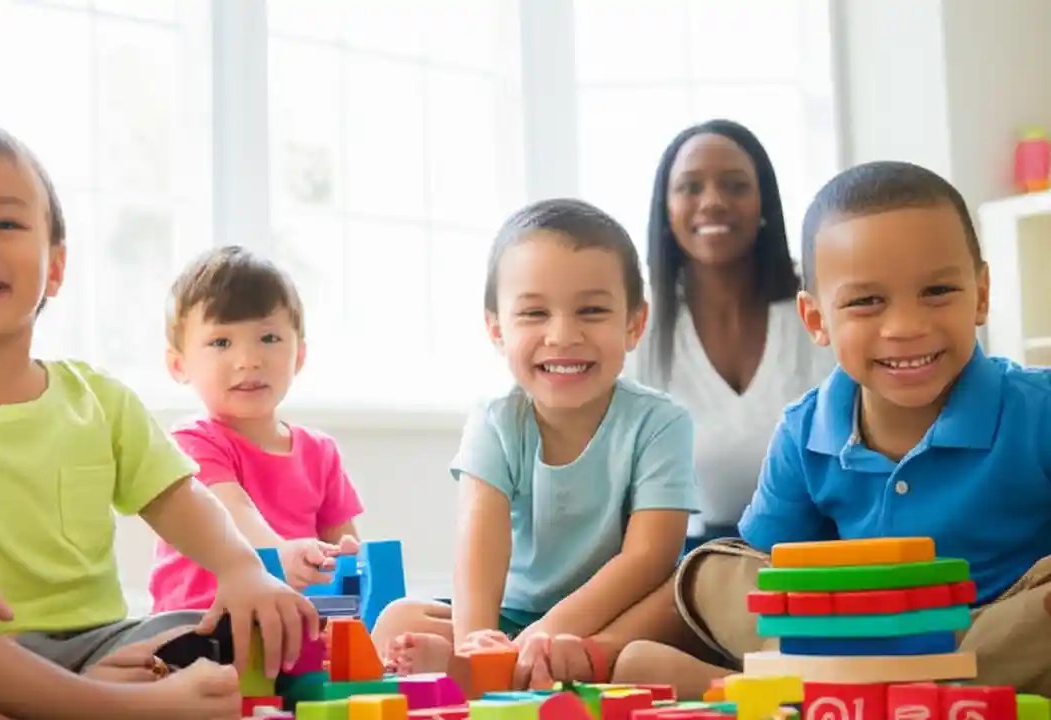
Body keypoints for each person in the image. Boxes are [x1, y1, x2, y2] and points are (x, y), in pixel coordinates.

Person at [0, 121, 319, 720]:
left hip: (97, 647)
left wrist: (241, 569)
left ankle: (43, 705)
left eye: (5, 223)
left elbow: (179, 497)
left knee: (239, 631)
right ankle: (100, 708)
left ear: (54, 266)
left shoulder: (98, 400)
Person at [609, 161, 1051, 698]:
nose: (906, 327)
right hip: (850, 635)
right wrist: (598, 650)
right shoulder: (805, 432)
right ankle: (844, 690)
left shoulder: (1037, 409)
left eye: (937, 291)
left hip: (989, 636)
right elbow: (769, 582)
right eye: (867, 302)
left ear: (980, 295)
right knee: (712, 570)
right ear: (817, 320)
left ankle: (787, 691)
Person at [369, 198, 700, 689]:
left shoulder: (660, 422)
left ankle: (569, 661)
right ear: (496, 329)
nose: (563, 335)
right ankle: (509, 670)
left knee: (683, 588)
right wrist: (476, 639)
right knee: (397, 619)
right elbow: (480, 538)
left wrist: (553, 630)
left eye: (591, 310)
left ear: (633, 324)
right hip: (513, 617)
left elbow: (648, 555)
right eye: (534, 313)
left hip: (613, 619)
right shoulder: (496, 419)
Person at [627, 119, 833, 551]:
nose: (714, 202)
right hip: (681, 562)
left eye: (736, 186)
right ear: (666, 208)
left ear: (764, 205)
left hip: (813, 552)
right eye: (690, 187)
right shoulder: (637, 331)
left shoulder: (817, 313)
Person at [150, 245, 364, 612]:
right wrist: (281, 553)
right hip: (201, 620)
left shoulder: (320, 452)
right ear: (178, 364)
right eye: (221, 342)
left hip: (291, 622)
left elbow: (349, 554)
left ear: (299, 355)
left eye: (269, 338)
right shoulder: (193, 441)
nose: (248, 361)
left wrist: (344, 564)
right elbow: (232, 513)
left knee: (399, 619)